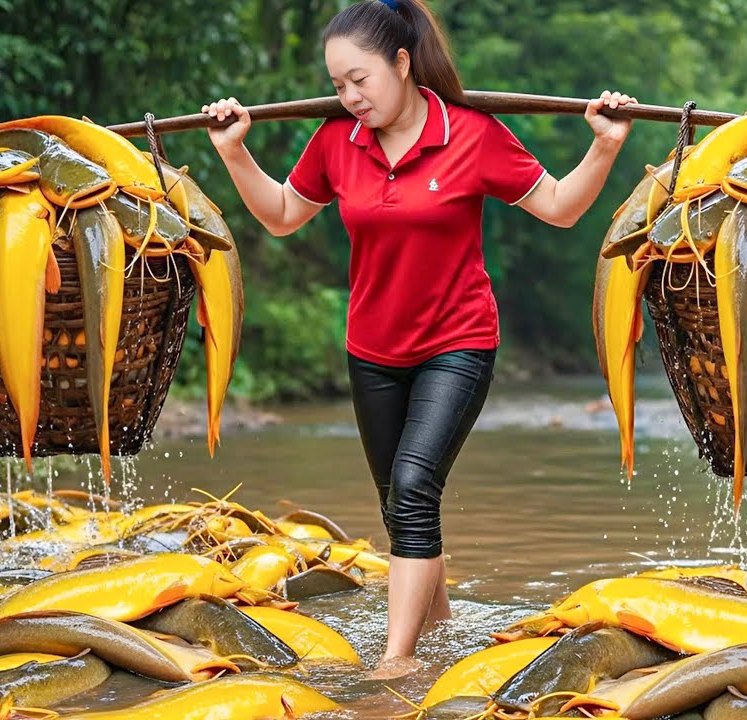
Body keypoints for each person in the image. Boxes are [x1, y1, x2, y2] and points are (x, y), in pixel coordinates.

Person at [203, 0, 636, 678]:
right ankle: (440, 639)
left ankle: (397, 662)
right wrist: (235, 153)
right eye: (338, 84)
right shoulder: (336, 143)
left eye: (360, 79)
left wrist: (605, 143)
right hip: (372, 350)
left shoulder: (472, 134)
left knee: (411, 487)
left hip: (457, 342)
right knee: (403, 504)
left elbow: (559, 206)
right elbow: (285, 215)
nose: (349, 97)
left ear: (402, 63)